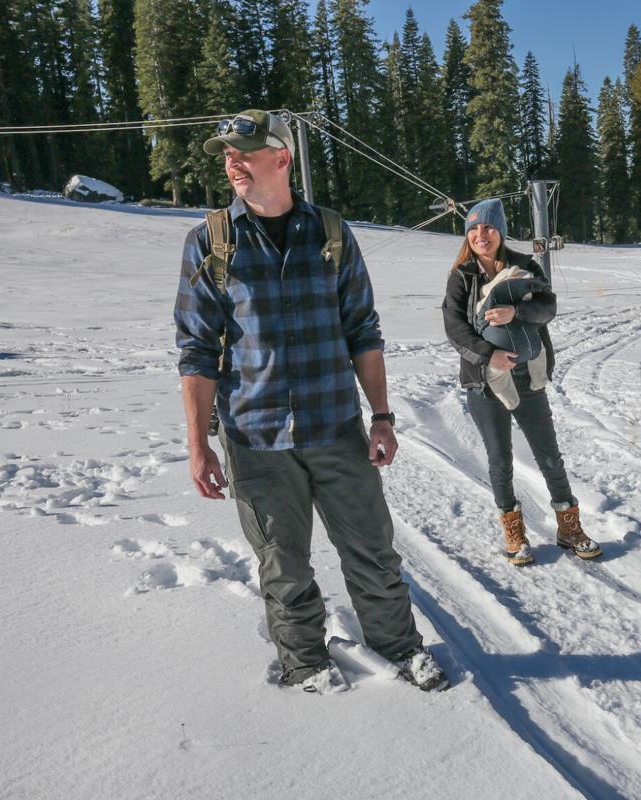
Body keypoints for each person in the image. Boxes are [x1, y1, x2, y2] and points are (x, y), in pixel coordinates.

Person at [174, 109, 446, 693]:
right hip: (255, 438)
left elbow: (363, 332)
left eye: (244, 151)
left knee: (372, 553)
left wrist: (381, 416)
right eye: (227, 154)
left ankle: (400, 648)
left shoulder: (331, 232)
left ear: (282, 157)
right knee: (282, 564)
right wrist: (198, 445)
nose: (233, 162)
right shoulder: (211, 241)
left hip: (335, 428)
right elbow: (196, 352)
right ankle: (305, 663)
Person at [442, 198, 602, 565]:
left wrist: (517, 311)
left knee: (548, 455)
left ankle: (569, 527)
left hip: (528, 377)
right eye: (475, 229)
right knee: (500, 459)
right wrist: (488, 354)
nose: (482, 235)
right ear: (468, 235)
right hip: (484, 381)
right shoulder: (462, 276)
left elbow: (548, 308)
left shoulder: (524, 266)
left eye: (489, 228)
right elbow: (454, 329)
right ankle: (514, 533)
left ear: (500, 231)